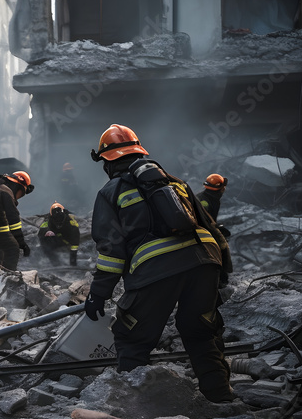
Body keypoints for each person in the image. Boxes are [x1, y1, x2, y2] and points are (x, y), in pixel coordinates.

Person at [82, 124, 234, 403]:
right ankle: (221, 399)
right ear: (140, 153)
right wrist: (222, 272)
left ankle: (134, 412)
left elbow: (111, 252)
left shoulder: (111, 191)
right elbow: (211, 229)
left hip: (156, 270)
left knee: (132, 338)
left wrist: (98, 294)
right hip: (205, 262)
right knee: (201, 333)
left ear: (107, 161)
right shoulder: (176, 182)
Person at [37, 202, 81, 266]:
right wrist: (47, 231)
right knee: (43, 240)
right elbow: (42, 229)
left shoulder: (71, 222)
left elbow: (75, 242)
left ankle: (66, 263)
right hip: (57, 237)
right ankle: (55, 263)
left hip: (66, 239)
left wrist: (73, 262)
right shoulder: (50, 218)